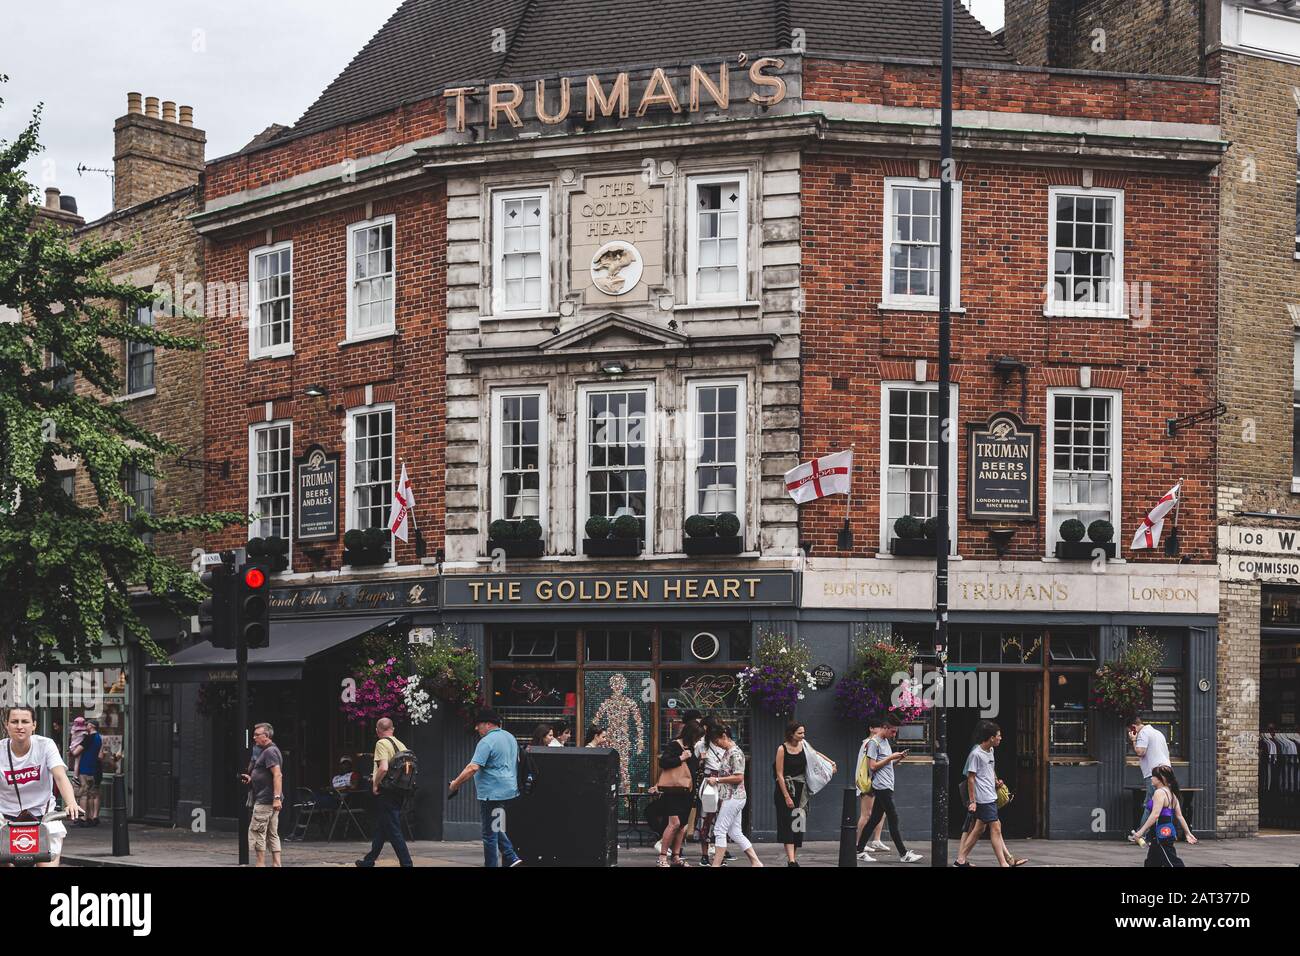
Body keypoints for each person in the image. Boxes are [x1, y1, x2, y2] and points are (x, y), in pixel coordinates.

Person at [1, 706, 83, 866]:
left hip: (43, 817)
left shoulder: (45, 745)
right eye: (14, 721)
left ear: (34, 725)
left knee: (47, 863)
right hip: (6, 819)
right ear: (6, 725)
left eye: (25, 721)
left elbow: (60, 776)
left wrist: (71, 803)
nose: (19, 726)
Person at [449, 708, 522, 867]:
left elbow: (472, 768)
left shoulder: (487, 741)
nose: (476, 728)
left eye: (478, 725)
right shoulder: (510, 737)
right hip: (509, 791)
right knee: (496, 826)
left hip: (492, 793)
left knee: (490, 835)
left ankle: (506, 859)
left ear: (488, 724)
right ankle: (512, 858)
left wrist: (455, 784)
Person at [954, 720, 1025, 868]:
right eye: (998, 735)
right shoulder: (976, 754)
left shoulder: (991, 751)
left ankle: (960, 860)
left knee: (979, 829)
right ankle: (1004, 863)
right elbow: (971, 778)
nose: (1001, 738)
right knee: (995, 827)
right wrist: (972, 801)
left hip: (990, 795)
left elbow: (989, 770)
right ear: (991, 737)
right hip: (983, 798)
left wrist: (996, 781)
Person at [857, 714, 923, 863]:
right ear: (885, 727)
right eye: (893, 731)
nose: (894, 734)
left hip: (887, 785)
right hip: (881, 787)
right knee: (893, 818)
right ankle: (903, 854)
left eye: (896, 732)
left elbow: (886, 765)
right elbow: (872, 766)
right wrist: (890, 758)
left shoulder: (885, 741)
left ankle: (859, 850)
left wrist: (897, 759)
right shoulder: (874, 743)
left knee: (874, 819)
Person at [774, 721, 835, 867]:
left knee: (797, 826)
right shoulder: (782, 749)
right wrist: (787, 796)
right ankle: (791, 861)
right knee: (787, 824)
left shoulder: (804, 745)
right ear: (791, 734)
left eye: (803, 732)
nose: (803, 735)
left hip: (802, 791)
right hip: (786, 790)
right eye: (800, 733)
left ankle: (793, 858)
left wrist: (831, 762)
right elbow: (779, 774)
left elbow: (816, 754)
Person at [355, 717, 414, 868]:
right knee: (382, 827)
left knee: (393, 829)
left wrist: (375, 784)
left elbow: (384, 767)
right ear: (392, 729)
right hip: (399, 791)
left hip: (386, 791)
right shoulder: (401, 744)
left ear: (377, 731)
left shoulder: (381, 743)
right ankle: (368, 861)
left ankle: (407, 863)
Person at [703, 725, 761, 867]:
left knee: (719, 830)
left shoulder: (735, 753)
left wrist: (716, 780)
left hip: (734, 797)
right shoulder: (728, 752)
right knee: (735, 832)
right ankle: (756, 862)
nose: (716, 744)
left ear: (724, 736)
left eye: (717, 741)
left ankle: (715, 865)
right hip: (732, 797)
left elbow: (739, 777)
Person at [656, 720, 702, 867]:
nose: (698, 739)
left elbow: (692, 770)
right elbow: (663, 762)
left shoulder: (693, 747)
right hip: (674, 791)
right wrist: (681, 758)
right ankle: (663, 857)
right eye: (697, 736)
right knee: (673, 823)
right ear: (690, 734)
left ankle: (676, 856)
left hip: (687, 792)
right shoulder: (675, 745)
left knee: (682, 825)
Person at [1131, 765, 1197, 867]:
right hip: (1162, 833)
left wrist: (1140, 831)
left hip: (1160, 834)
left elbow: (1155, 815)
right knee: (1151, 862)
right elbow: (1180, 816)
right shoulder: (1172, 794)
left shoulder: (1159, 793)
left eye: (1153, 776)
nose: (1151, 778)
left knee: (1172, 862)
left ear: (1161, 778)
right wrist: (1187, 833)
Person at [240, 722, 283, 867]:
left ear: (266, 736)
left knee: (257, 831)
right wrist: (252, 778)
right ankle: (277, 864)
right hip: (269, 798)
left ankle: (260, 864)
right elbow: (266, 775)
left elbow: (277, 775)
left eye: (257, 735)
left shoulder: (270, 752)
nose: (254, 737)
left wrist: (276, 798)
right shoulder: (267, 751)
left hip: (266, 800)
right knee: (272, 833)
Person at [694, 716, 729, 865]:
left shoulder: (725, 743)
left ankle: (718, 856)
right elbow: (694, 765)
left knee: (721, 818)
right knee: (706, 817)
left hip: (723, 781)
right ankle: (704, 855)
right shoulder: (701, 744)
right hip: (709, 782)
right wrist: (701, 761)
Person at [853, 734, 887, 860]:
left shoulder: (878, 742)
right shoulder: (871, 743)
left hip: (875, 782)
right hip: (869, 783)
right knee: (866, 814)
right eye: (877, 727)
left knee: (881, 812)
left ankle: (876, 840)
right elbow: (867, 765)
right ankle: (858, 843)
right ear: (872, 729)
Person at [1128, 716, 1172, 799]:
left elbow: (1140, 752)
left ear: (1133, 727)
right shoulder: (1158, 733)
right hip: (1166, 770)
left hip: (1155, 772)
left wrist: (1134, 740)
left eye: (1130, 730)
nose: (1130, 733)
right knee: (1162, 800)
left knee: (1151, 803)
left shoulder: (1143, 733)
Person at [70, 718, 103, 827]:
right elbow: (100, 755)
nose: (86, 726)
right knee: (91, 794)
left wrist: (71, 750)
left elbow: (76, 752)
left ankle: (83, 818)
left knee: (83, 794)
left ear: (92, 726)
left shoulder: (88, 738)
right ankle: (90, 817)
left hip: (84, 768)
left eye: (87, 725)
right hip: (93, 769)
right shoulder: (99, 738)